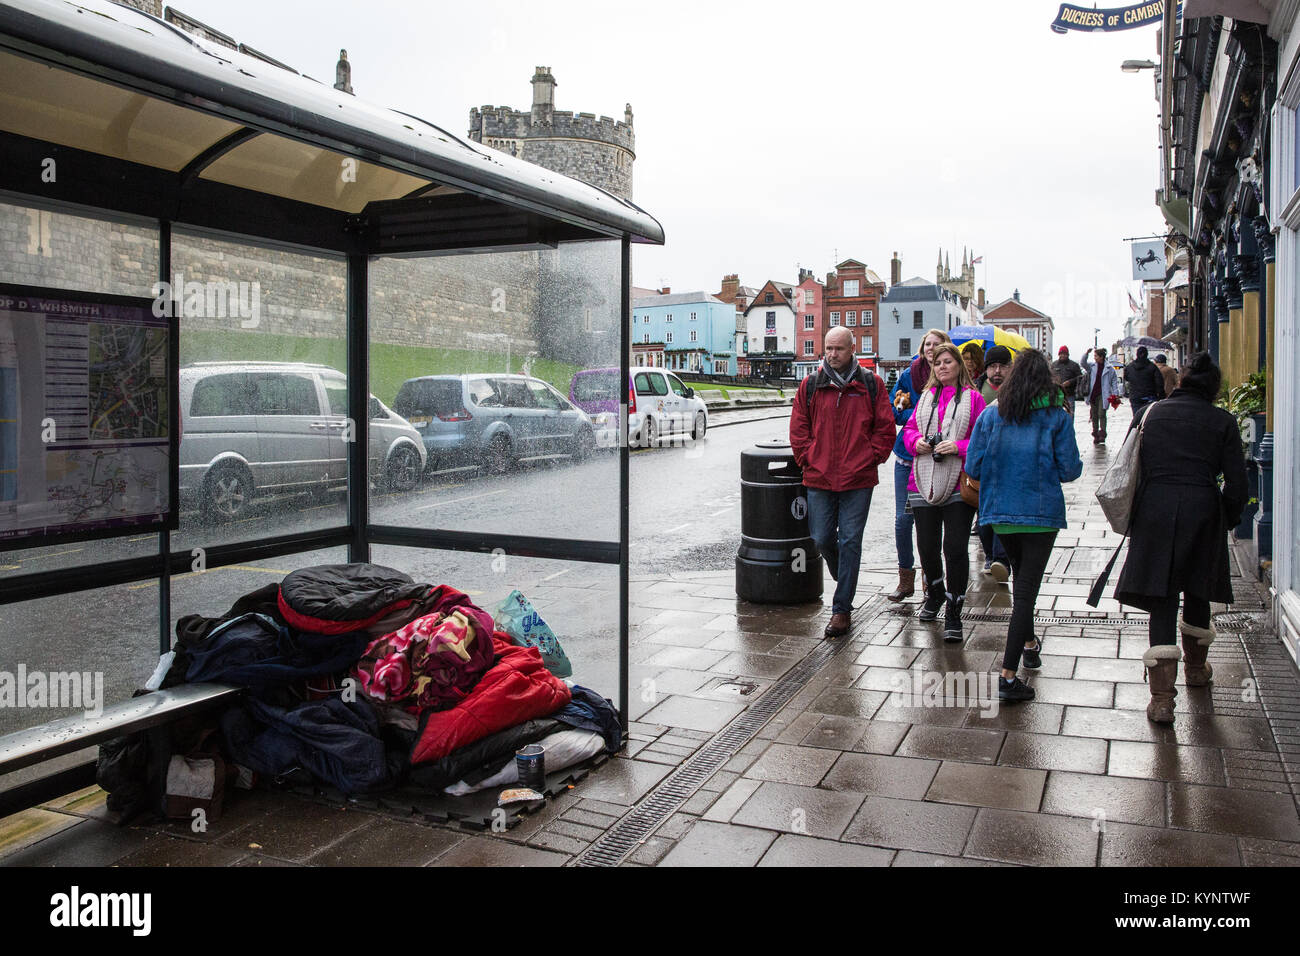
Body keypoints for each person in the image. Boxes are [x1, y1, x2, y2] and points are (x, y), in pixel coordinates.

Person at [1114, 353, 1248, 723]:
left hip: (1155, 509)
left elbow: (1129, 467)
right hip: (1203, 510)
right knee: (1198, 589)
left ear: (1181, 381)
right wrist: (1228, 516)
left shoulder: (1151, 414)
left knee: (1162, 597)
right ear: (1213, 388)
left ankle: (1161, 700)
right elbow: (1237, 484)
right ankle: (1195, 670)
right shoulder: (1222, 421)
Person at [965, 349, 1082, 702]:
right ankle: (1007, 676)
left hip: (1000, 514)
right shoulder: (1056, 417)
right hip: (1040, 515)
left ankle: (1030, 644)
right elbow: (1071, 470)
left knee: (1021, 583)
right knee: (1026, 593)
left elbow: (973, 465)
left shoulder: (991, 415)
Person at [790, 326, 896, 637]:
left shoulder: (870, 384)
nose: (833, 355)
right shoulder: (811, 385)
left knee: (850, 541)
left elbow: (885, 429)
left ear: (852, 350)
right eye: (829, 349)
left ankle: (841, 609)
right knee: (822, 538)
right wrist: (809, 457)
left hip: (858, 478)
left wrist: (870, 457)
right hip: (819, 476)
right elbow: (799, 429)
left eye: (839, 349)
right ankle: (844, 576)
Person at [903, 343, 986, 641]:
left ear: (958, 366)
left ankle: (954, 608)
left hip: (957, 482)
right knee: (926, 546)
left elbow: (982, 438)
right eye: (938, 363)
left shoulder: (974, 399)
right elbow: (909, 430)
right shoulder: (925, 397)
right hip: (922, 480)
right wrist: (918, 443)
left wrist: (958, 446)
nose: (942, 367)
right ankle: (935, 592)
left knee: (953, 547)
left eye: (948, 362)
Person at [886, 328, 951, 602]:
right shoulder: (909, 375)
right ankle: (905, 578)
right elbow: (894, 412)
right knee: (904, 520)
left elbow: (953, 413)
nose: (931, 347)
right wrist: (919, 412)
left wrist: (918, 411)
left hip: (940, 459)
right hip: (907, 457)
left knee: (932, 522)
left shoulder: (950, 378)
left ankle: (931, 577)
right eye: (927, 343)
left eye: (937, 344)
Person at [975, 344, 1013, 581]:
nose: (997, 370)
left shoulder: (1017, 390)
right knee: (984, 517)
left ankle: (1001, 559)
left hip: (1009, 461)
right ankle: (991, 554)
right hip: (983, 461)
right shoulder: (976, 390)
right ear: (986, 368)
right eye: (992, 366)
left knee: (1002, 513)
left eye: (1002, 366)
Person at [1083, 347, 1120, 444]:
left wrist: (1116, 394)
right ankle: (1095, 434)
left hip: (1103, 395)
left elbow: (1114, 382)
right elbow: (1083, 363)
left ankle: (1102, 434)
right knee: (1094, 415)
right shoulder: (1092, 366)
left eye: (1096, 356)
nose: (1094, 358)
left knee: (1102, 414)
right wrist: (1086, 353)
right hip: (1093, 394)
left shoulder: (1110, 369)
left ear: (1101, 357)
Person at [1123, 346, 1166, 411]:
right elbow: (1159, 382)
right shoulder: (1152, 367)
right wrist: (1161, 396)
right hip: (1149, 396)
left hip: (1135, 396)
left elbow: (1126, 378)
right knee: (1148, 417)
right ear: (1147, 354)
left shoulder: (1130, 367)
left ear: (1137, 354)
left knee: (1137, 416)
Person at [1051, 345, 1083, 419]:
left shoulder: (1074, 365)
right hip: (1057, 394)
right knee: (1057, 415)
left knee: (1070, 414)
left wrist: (1070, 382)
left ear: (1068, 355)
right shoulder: (1054, 365)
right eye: (1061, 354)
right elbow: (1050, 376)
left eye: (1065, 354)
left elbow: (1080, 377)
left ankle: (1069, 429)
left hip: (1070, 394)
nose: (1063, 356)